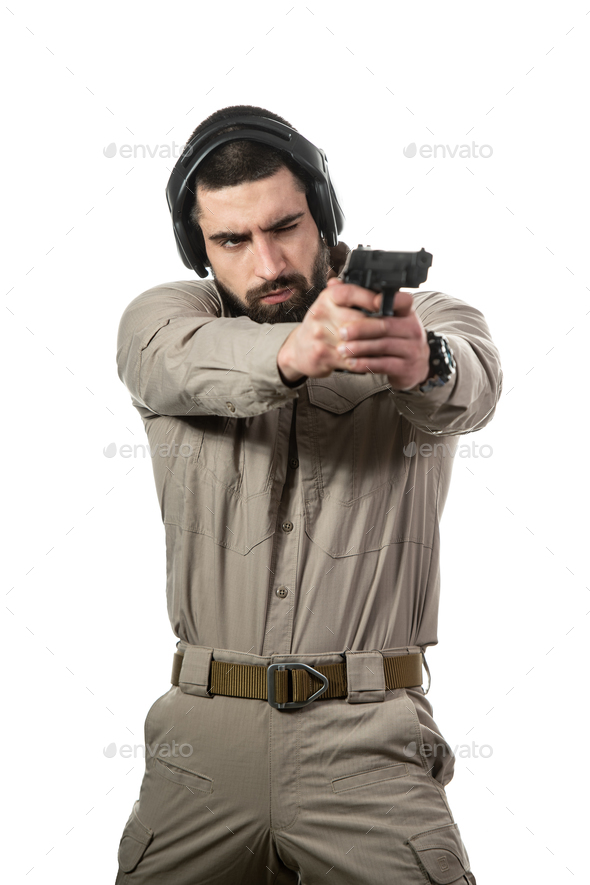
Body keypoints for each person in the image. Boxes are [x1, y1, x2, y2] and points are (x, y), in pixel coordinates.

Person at [113, 104, 501, 885]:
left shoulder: (426, 320)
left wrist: (424, 363)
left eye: (285, 226)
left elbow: (473, 382)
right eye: (232, 240)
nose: (267, 263)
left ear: (322, 214)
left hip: (369, 744)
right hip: (202, 744)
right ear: (200, 250)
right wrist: (295, 351)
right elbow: (164, 360)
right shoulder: (168, 320)